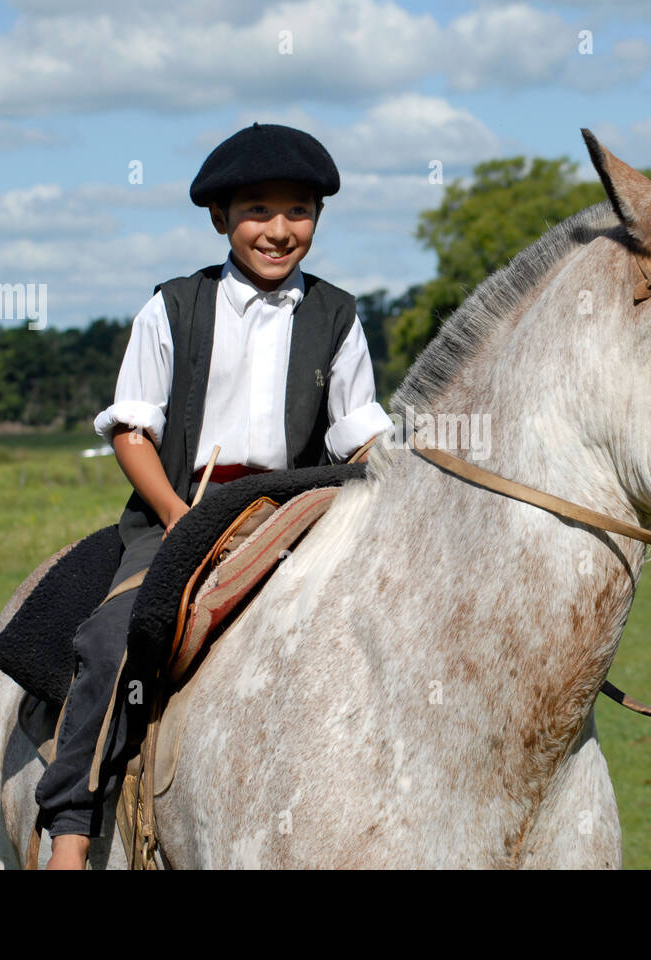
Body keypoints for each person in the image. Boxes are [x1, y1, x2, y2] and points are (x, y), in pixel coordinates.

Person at [36, 122, 394, 869]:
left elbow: (360, 432)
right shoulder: (172, 307)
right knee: (112, 640)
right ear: (219, 218)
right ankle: (70, 826)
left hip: (298, 510)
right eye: (258, 210)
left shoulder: (336, 315)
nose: (278, 229)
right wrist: (175, 514)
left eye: (298, 211)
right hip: (181, 511)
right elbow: (131, 428)